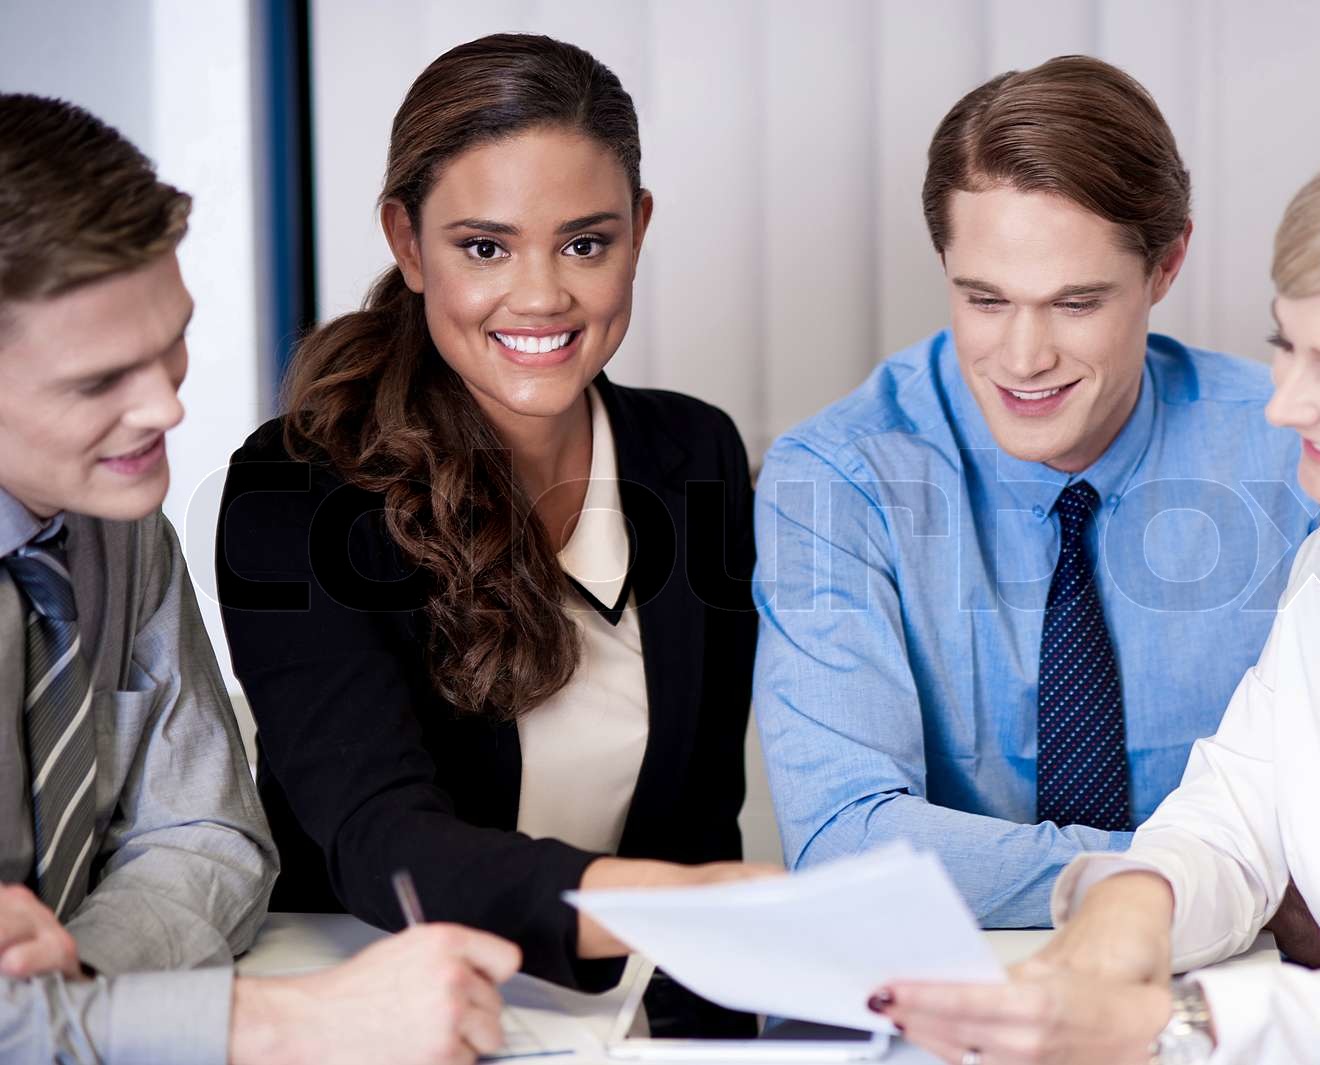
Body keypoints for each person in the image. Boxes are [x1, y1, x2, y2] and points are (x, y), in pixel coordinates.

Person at [875, 123, 1320, 1065]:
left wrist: (1181, 1025)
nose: (1284, 404)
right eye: (1285, 346)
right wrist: (1132, 909)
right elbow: (1236, 806)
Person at [216, 33, 769, 1032]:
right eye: (485, 247)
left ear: (638, 231)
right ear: (406, 242)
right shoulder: (293, 487)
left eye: (585, 244)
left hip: (631, 1026)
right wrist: (694, 903)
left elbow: (697, 823)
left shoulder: (696, 455)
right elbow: (385, 842)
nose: (542, 295)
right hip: (384, 1013)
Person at [0, 93, 524, 1065]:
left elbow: (212, 838)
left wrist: (74, 981)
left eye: (170, 341)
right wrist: (290, 1023)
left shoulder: (118, 528)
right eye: (99, 380)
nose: (166, 406)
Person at [753, 55, 1320, 941]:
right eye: (985, 299)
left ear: (1167, 264)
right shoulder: (837, 477)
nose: (1023, 358)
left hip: (1230, 985)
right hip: (947, 979)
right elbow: (845, 841)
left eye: (1075, 303)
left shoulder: (1298, 452)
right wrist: (1193, 880)